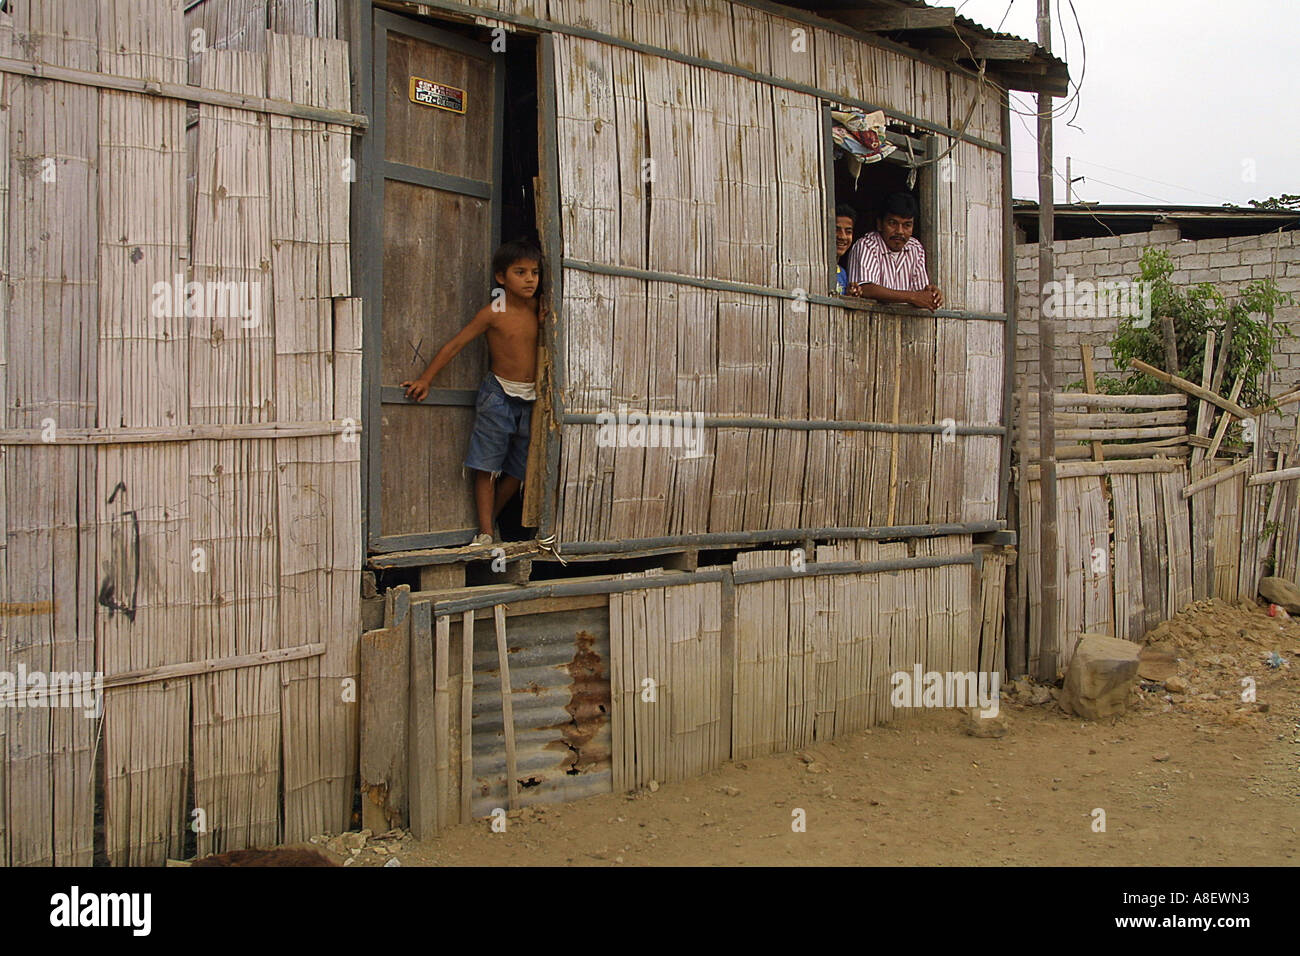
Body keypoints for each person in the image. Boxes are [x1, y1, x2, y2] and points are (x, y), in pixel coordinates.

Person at [401, 238, 544, 546]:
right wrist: (426, 379)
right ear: (501, 277)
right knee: (487, 465)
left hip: (530, 398)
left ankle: (490, 518)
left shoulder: (539, 308)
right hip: (498, 395)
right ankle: (486, 534)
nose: (530, 279)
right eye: (520, 272)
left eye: (534, 272)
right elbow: (455, 345)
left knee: (520, 470)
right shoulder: (493, 312)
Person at [845, 192, 943, 311]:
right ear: (880, 224)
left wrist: (931, 296)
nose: (900, 231)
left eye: (907, 225)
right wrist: (913, 297)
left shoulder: (915, 248)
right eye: (893, 223)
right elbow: (866, 288)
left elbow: (921, 294)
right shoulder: (867, 245)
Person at [834, 203, 857, 294]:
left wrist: (849, 295)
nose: (842, 237)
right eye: (836, 230)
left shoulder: (842, 273)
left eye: (848, 232)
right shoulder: (817, 269)